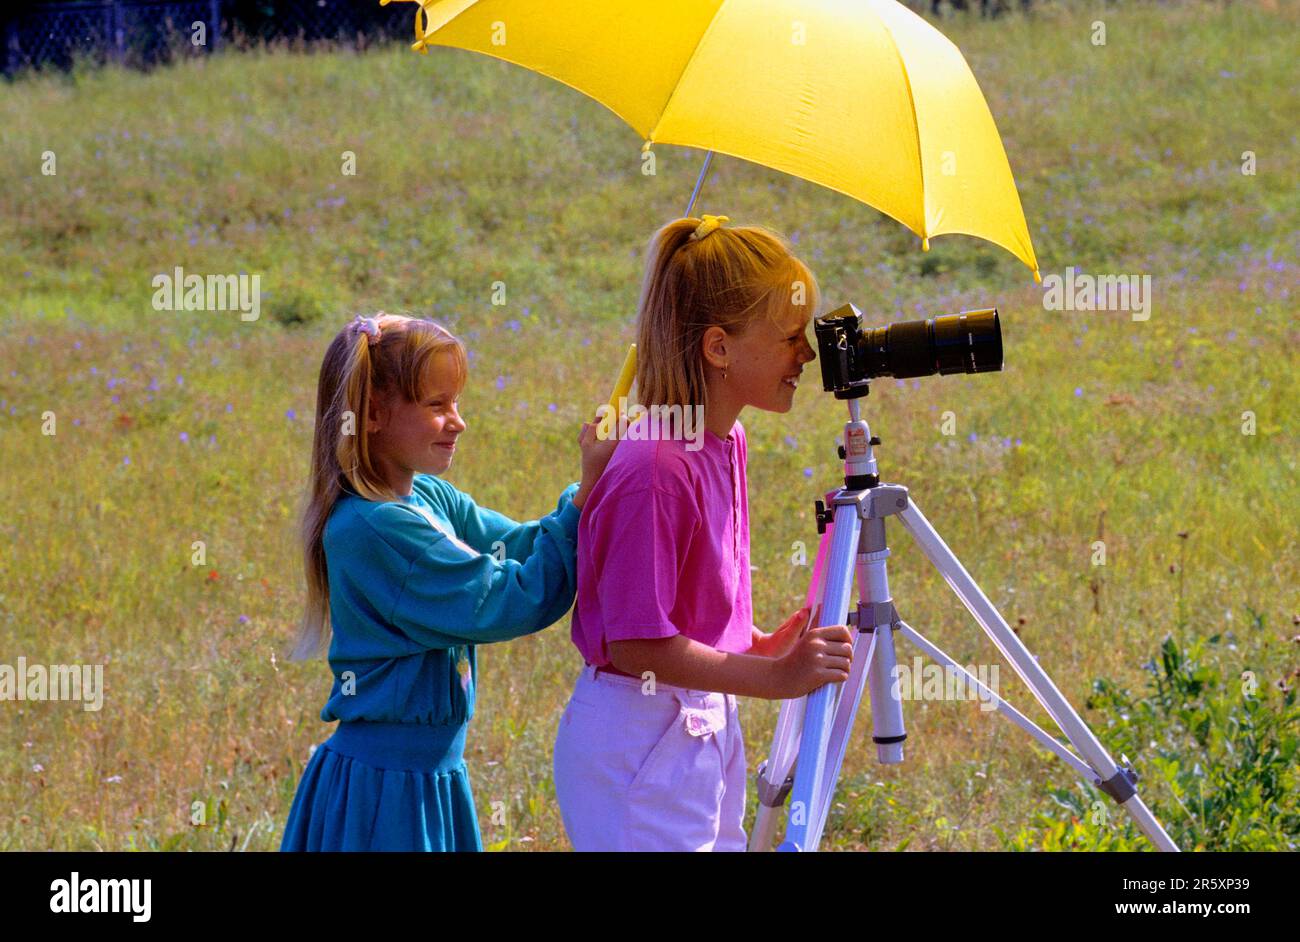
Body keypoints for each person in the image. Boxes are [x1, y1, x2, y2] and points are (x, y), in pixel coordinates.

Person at [553, 216, 854, 851]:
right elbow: (637, 644)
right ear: (718, 347)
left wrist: (763, 646)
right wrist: (774, 680)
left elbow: (692, 605)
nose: (807, 354)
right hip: (640, 735)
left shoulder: (724, 441)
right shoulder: (656, 469)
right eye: (789, 337)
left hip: (701, 718)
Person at [281, 313, 615, 851]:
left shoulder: (426, 499)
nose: (457, 421)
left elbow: (522, 548)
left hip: (429, 779)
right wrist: (585, 497)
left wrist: (592, 491)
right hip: (387, 795)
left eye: (456, 403)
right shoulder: (375, 528)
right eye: (437, 406)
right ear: (370, 415)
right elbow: (511, 598)